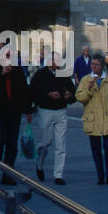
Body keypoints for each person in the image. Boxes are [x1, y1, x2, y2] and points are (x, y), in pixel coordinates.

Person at [76, 54, 108, 185]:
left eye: (97, 65)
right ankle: (100, 175)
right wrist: (89, 89)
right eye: (92, 64)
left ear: (102, 66)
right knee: (96, 150)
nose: (94, 67)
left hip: (107, 119)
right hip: (93, 119)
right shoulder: (86, 80)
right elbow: (80, 98)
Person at [0, 62, 33, 184]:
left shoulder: (18, 71)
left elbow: (24, 91)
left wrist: (28, 110)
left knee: (12, 144)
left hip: (14, 112)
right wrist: (2, 74)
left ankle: (8, 172)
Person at [30, 54, 74, 185]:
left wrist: (69, 95)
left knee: (61, 144)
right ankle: (39, 162)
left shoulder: (63, 73)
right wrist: (48, 95)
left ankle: (58, 174)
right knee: (45, 142)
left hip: (61, 110)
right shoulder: (40, 74)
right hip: (46, 110)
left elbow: (72, 90)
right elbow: (33, 92)